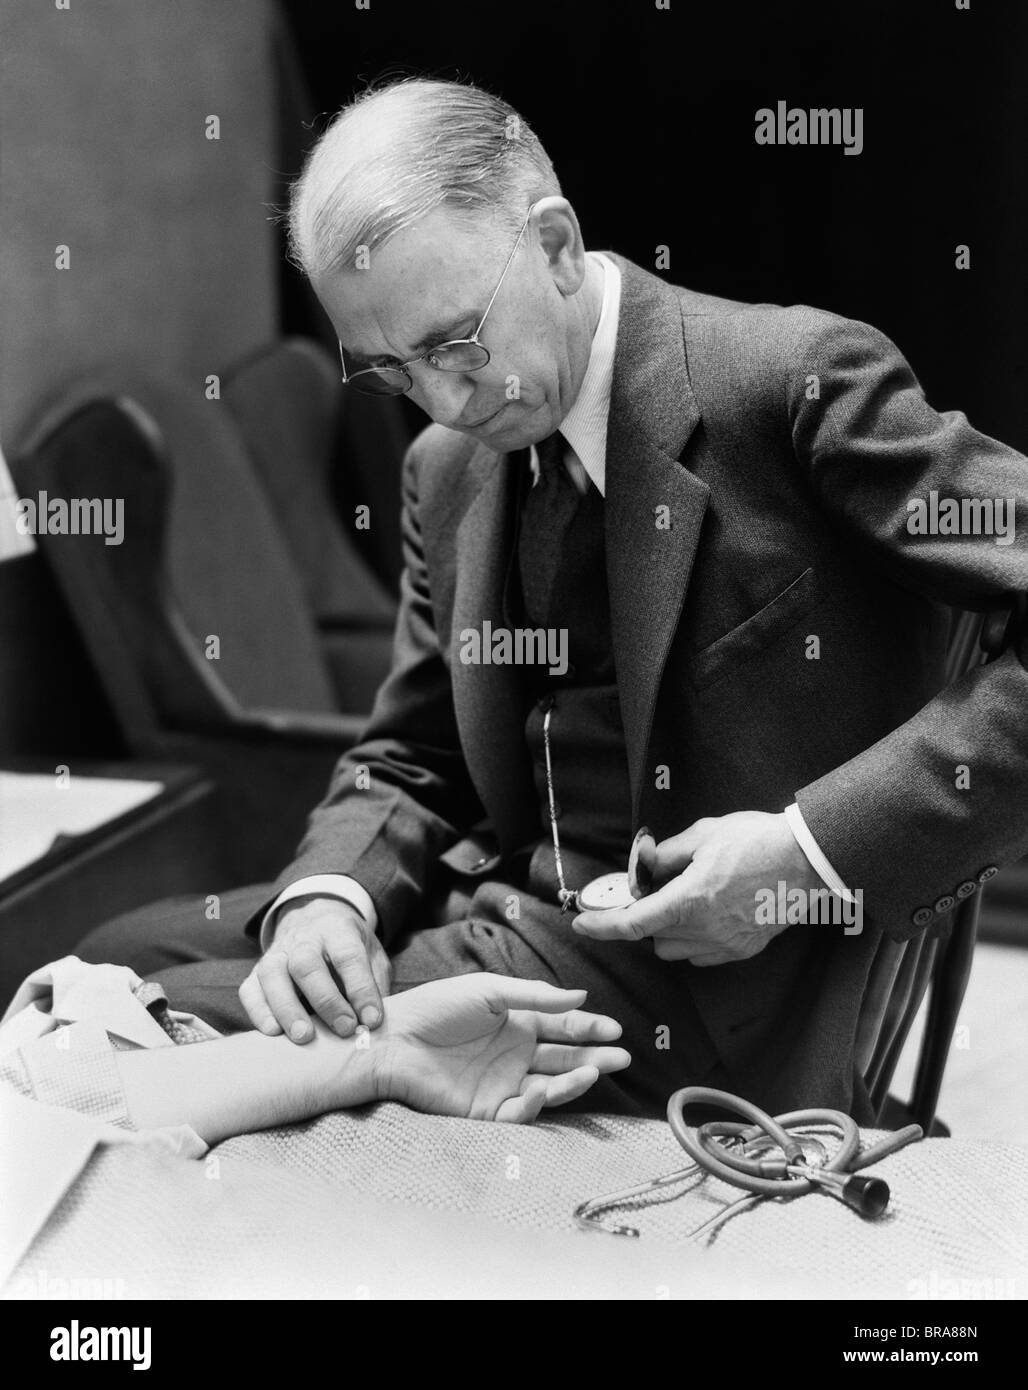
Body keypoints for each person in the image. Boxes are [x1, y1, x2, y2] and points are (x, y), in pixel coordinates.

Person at [79, 77, 1028, 1121]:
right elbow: (412, 753)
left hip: (707, 990)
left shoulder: (792, 380)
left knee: (114, 1023)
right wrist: (328, 893)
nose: (443, 402)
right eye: (392, 369)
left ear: (557, 244)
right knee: (116, 953)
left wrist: (804, 852)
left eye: (454, 343)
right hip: (498, 914)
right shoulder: (444, 466)